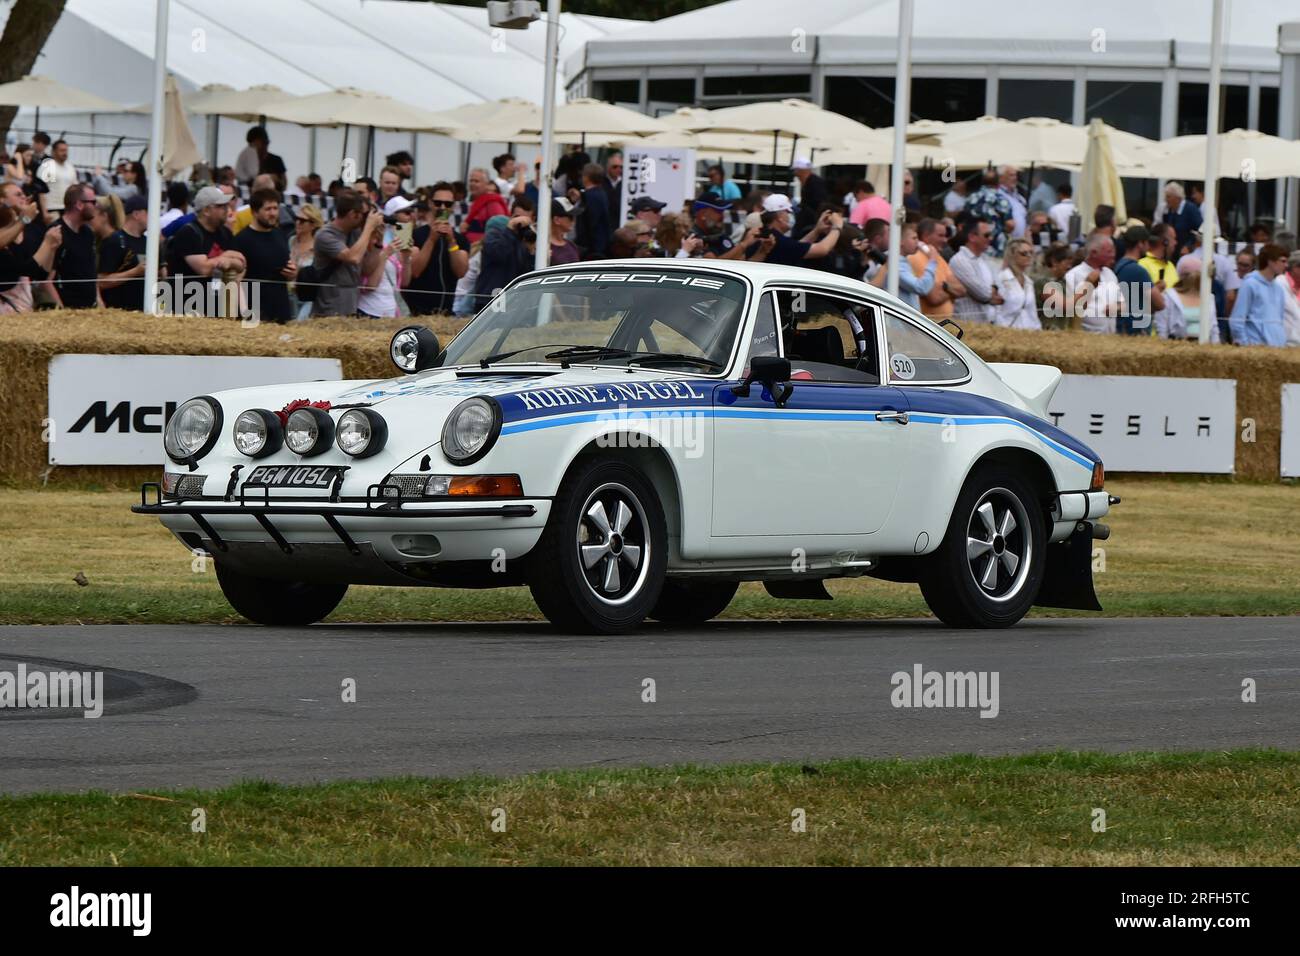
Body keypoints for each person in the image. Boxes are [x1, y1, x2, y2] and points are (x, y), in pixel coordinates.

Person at [164, 185, 246, 315]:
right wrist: (225, 256)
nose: (227, 209)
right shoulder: (189, 233)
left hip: (216, 308)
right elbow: (204, 269)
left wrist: (229, 262)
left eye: (227, 205)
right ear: (206, 210)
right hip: (187, 307)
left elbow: (241, 264)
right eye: (220, 206)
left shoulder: (225, 233)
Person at [310, 191, 384, 318]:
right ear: (352, 214)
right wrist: (368, 228)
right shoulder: (325, 235)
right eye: (365, 214)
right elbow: (353, 258)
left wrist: (378, 244)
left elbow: (366, 270)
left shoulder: (355, 233)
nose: (366, 219)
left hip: (351, 305)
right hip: (329, 308)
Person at [405, 182, 469, 316]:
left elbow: (460, 272)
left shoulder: (460, 239)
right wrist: (431, 240)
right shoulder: (416, 234)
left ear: (453, 206)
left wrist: (451, 242)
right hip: (418, 312)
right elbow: (415, 272)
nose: (442, 208)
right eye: (438, 203)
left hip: (446, 313)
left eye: (448, 204)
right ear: (430, 203)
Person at [232, 188, 295, 323]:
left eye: (275, 208)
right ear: (254, 212)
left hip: (281, 310)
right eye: (268, 209)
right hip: (255, 312)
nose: (273, 213)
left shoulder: (280, 234)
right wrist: (245, 313)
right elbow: (236, 281)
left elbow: (287, 265)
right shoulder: (242, 240)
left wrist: (292, 273)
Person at [357, 198, 413, 319]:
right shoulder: (371, 241)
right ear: (392, 216)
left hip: (391, 312)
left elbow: (404, 283)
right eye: (406, 212)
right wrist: (386, 254)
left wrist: (407, 256)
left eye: (412, 212)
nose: (410, 216)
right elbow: (371, 285)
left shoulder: (399, 240)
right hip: (370, 311)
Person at [0, 203, 61, 314]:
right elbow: (28, 270)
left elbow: (40, 275)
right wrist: (47, 244)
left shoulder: (13, 246)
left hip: (22, 312)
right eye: (14, 222)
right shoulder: (3, 251)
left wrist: (52, 248)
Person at [747, 195, 838, 267]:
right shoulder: (775, 240)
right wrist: (837, 227)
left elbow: (796, 247)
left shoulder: (766, 234)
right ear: (779, 217)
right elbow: (822, 249)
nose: (791, 216)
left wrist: (817, 230)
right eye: (788, 212)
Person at [49, 184, 99, 308]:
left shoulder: (88, 233)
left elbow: (91, 273)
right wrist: (61, 309)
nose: (96, 206)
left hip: (89, 309)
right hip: (68, 309)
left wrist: (99, 302)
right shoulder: (56, 232)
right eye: (93, 202)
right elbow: (46, 280)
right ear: (79, 204)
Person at [97, 193, 149, 311]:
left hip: (143, 312)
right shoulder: (114, 240)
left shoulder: (149, 243)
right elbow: (102, 281)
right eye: (148, 213)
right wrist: (135, 271)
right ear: (137, 214)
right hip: (119, 312)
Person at [1229, 244, 1289, 346]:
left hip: (1277, 349)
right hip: (1256, 348)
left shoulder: (1279, 288)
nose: (1286, 265)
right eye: (1282, 261)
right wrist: (1245, 345)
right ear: (1270, 261)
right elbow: (1237, 319)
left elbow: (1279, 321)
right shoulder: (1250, 284)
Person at [909, 218, 965, 321]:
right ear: (926, 236)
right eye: (940, 236)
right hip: (928, 327)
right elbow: (933, 297)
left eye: (945, 236)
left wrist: (944, 287)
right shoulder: (915, 258)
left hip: (944, 327)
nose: (945, 240)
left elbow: (962, 290)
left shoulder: (939, 259)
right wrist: (951, 290)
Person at [1063, 234, 1122, 333]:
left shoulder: (1110, 274)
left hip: (1110, 339)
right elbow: (1068, 309)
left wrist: (1117, 307)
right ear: (1094, 253)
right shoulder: (1073, 275)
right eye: (1109, 251)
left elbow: (1121, 302)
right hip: (1085, 338)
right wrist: (1088, 284)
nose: (1113, 255)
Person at [872, 222, 936, 310]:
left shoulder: (897, 261)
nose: (918, 242)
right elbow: (921, 287)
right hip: (898, 322)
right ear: (900, 241)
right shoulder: (894, 263)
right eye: (914, 238)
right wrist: (932, 260)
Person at [948, 218, 1002, 323]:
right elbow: (984, 294)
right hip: (968, 325)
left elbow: (1002, 290)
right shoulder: (959, 260)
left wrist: (992, 290)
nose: (990, 238)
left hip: (988, 324)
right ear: (972, 237)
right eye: (986, 235)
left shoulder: (985, 259)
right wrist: (992, 292)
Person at [1113, 224, 1160, 336]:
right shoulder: (1138, 271)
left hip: (1124, 329)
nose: (1149, 247)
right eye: (1147, 242)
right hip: (1136, 331)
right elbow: (1160, 303)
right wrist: (1158, 289)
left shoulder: (1119, 265)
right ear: (1140, 244)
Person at [474, 214, 533, 303]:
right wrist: (509, 230)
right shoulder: (493, 237)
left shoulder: (517, 243)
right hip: (491, 297)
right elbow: (499, 253)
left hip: (513, 296)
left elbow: (527, 271)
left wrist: (532, 250)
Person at [993, 238, 1041, 330]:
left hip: (1029, 333)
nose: (1029, 256)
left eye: (1031, 252)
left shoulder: (1029, 282)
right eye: (1024, 253)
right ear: (1012, 255)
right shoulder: (1002, 279)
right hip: (1008, 332)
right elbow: (996, 312)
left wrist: (1038, 330)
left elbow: (1032, 312)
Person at [964, 169, 1013, 257]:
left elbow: (964, 218)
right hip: (995, 245)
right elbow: (1010, 224)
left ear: (982, 182)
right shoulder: (1001, 199)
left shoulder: (971, 197)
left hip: (974, 242)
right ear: (998, 184)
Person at [289, 203, 323, 320]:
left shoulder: (317, 247)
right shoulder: (291, 241)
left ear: (313, 225)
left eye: (302, 220)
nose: (298, 223)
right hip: (289, 293)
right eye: (296, 219)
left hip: (307, 298)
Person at [575, 163, 612, 260]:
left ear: (586, 177)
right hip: (599, 245)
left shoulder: (590, 196)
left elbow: (589, 222)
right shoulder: (601, 193)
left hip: (591, 248)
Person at [463, 168, 510, 244]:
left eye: (476, 181)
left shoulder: (492, 202)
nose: (472, 184)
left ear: (486, 184)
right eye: (471, 181)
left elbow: (500, 230)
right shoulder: (475, 201)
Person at [37, 140, 79, 220]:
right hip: (52, 209)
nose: (65, 153)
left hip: (68, 209)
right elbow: (40, 191)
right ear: (54, 152)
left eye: (66, 150)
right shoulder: (47, 166)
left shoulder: (70, 167)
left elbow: (75, 188)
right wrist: (44, 212)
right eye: (62, 150)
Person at [791, 158, 828, 234]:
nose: (795, 174)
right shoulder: (808, 182)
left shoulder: (815, 183)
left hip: (811, 221)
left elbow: (818, 202)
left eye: (796, 170)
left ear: (801, 170)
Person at [547, 198, 581, 266]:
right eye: (570, 217)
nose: (574, 221)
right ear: (556, 220)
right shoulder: (543, 249)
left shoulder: (572, 246)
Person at [601, 151, 623, 220]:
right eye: (615, 167)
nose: (618, 169)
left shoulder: (625, 183)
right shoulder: (601, 181)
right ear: (608, 167)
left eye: (621, 167)